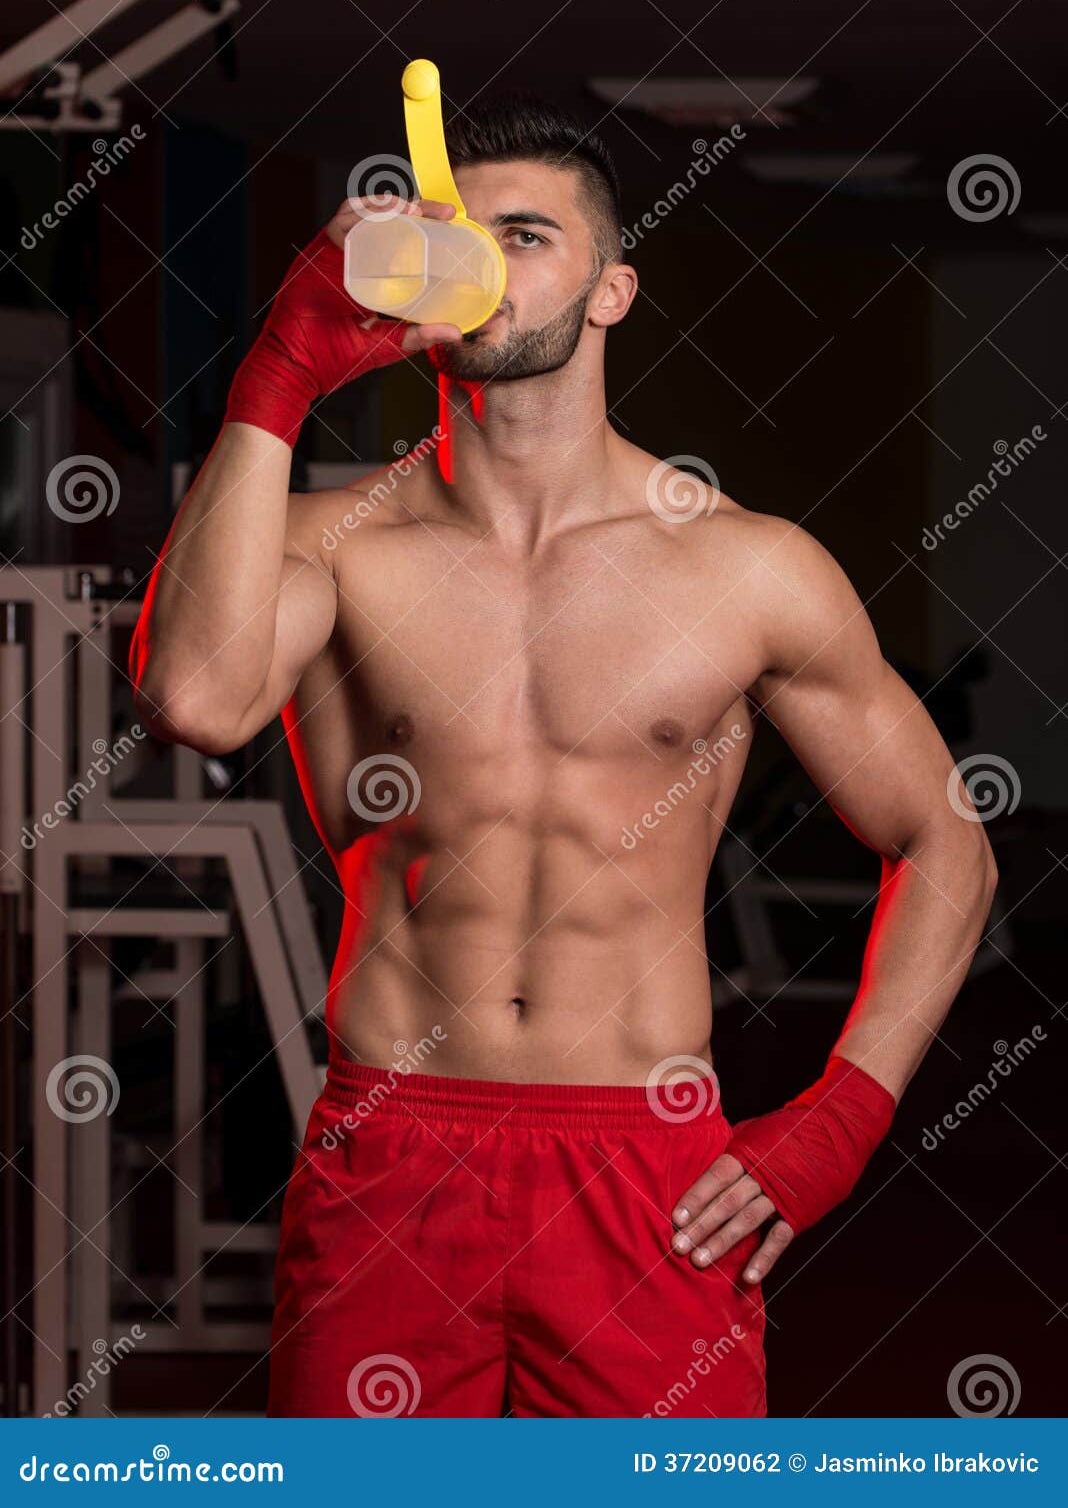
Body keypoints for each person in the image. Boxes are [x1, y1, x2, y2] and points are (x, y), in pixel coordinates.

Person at [129, 92, 997, 1418]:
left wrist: (842, 1118)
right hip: (393, 1157)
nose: (483, 261)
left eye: (525, 234)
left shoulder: (744, 566)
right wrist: (277, 378)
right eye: (455, 234)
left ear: (612, 290)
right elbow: (194, 695)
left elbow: (945, 839)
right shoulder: (336, 541)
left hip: (642, 1166)